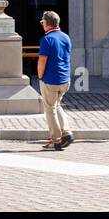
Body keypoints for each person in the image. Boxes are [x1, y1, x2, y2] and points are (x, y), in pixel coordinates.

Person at [36, 10, 74, 151]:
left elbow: (42, 61)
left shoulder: (46, 39)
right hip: (65, 80)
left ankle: (56, 140)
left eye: (42, 21)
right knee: (57, 106)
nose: (41, 23)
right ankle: (67, 132)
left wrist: (40, 77)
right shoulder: (66, 37)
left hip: (51, 80)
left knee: (49, 109)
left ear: (46, 23)